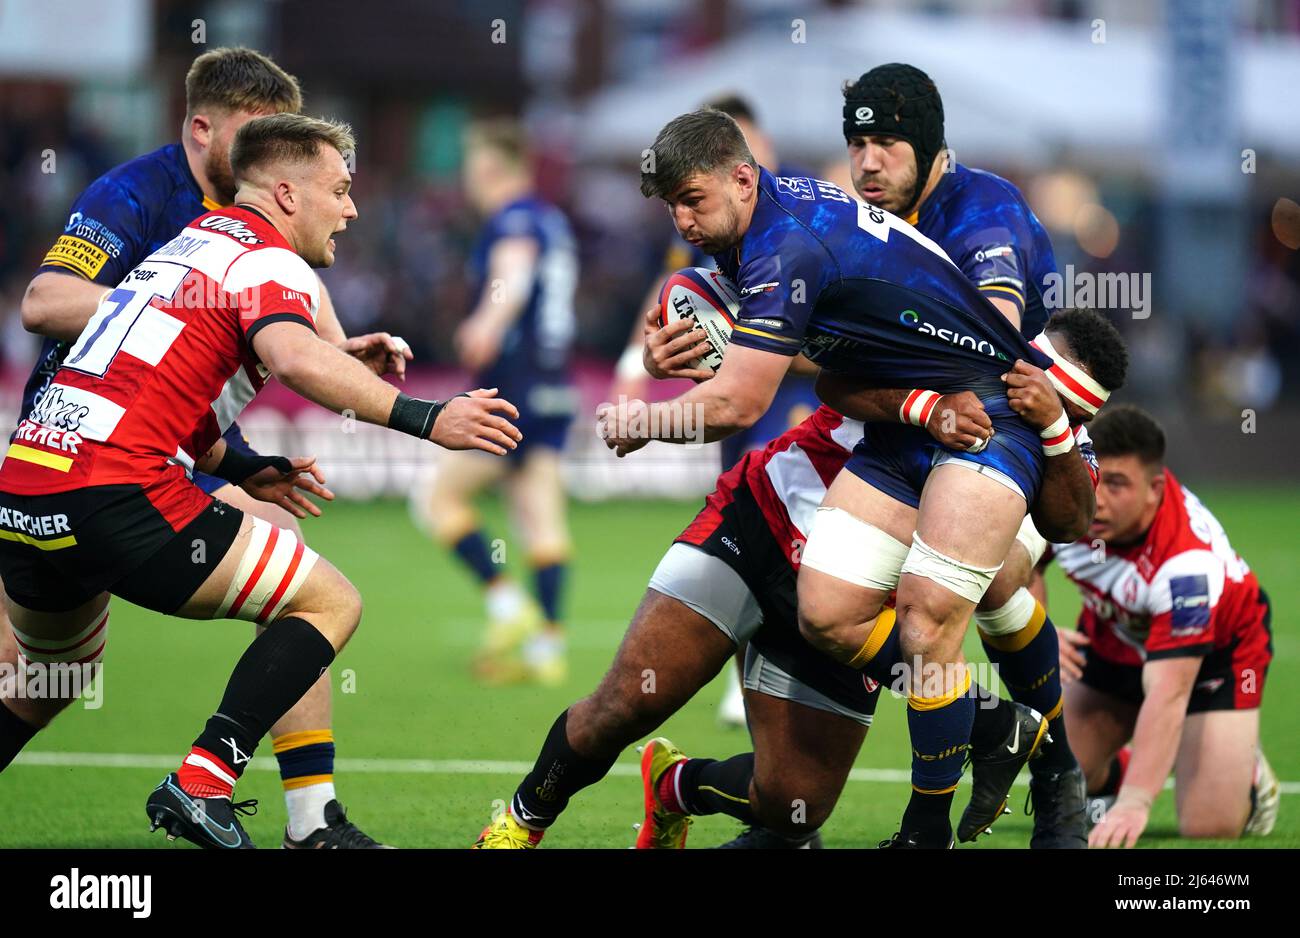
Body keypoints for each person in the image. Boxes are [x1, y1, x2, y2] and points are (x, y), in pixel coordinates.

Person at [0, 113, 520, 849]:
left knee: (42, 681)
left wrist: (248, 467)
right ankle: (203, 783)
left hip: (27, 487)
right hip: (115, 493)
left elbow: (172, 396)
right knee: (329, 601)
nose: (352, 208)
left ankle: (286, 814)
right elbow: (298, 358)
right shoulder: (271, 262)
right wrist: (429, 417)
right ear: (285, 194)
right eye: (339, 190)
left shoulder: (183, 249)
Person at [1044, 405, 1278, 847]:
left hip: (1218, 657)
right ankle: (1141, 757)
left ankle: (1242, 769)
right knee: (1061, 773)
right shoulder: (1071, 493)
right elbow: (1014, 569)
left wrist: (1136, 801)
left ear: (1154, 490)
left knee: (1208, 826)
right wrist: (1037, 627)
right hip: (1116, 637)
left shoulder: (1186, 565)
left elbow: (1169, 690)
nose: (1100, 497)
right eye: (1096, 476)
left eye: (1117, 484)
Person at [412, 119, 578, 686]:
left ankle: (508, 608)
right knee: (541, 519)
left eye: (472, 169)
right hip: (555, 384)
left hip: (514, 386)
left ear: (489, 170)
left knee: (435, 499)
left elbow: (515, 272)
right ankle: (547, 651)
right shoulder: (552, 220)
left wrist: (485, 322)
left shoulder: (513, 219)